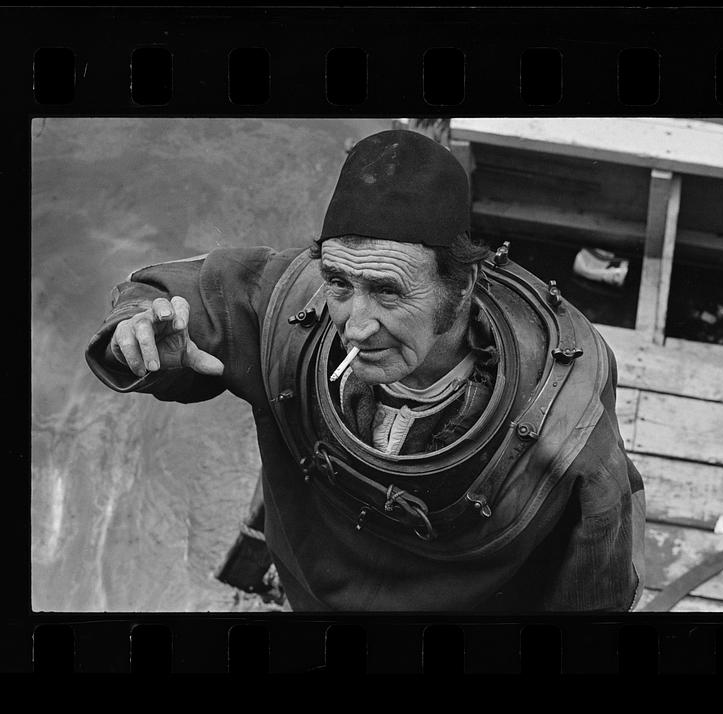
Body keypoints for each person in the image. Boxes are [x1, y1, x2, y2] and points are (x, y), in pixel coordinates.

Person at [86, 129, 645, 612]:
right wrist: (141, 333)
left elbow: (597, 577)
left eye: (387, 291)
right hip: (310, 592)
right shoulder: (291, 309)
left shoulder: (562, 413)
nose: (353, 327)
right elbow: (173, 291)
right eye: (339, 284)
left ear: (461, 287)